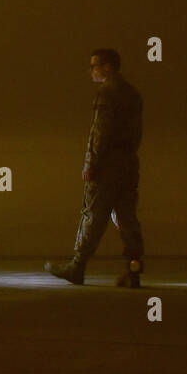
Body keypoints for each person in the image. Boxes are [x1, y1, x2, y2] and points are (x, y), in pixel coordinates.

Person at [45, 49, 144, 287]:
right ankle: (134, 270)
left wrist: (91, 163)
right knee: (127, 218)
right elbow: (136, 133)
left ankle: (77, 266)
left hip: (107, 166)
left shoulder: (106, 93)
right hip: (128, 164)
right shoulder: (133, 94)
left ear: (107, 67)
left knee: (92, 214)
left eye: (94, 66)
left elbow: (99, 133)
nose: (91, 70)